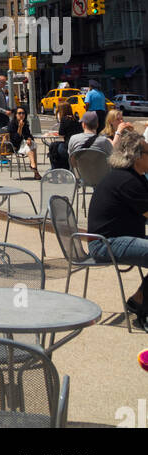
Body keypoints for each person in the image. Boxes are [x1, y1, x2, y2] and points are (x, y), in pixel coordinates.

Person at [86, 130, 148, 320]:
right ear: (136, 157)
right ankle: (141, 303)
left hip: (116, 239)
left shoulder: (132, 177)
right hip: (106, 244)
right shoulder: (128, 181)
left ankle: (139, 299)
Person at [7, 106, 41, 179]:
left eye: (23, 113)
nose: (21, 115)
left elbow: (29, 135)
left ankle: (33, 166)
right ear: (15, 115)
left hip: (25, 146)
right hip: (16, 147)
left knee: (31, 144)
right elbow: (15, 140)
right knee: (31, 146)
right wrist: (20, 127)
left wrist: (29, 139)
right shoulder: (11, 125)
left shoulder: (25, 124)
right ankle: (34, 169)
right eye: (19, 113)